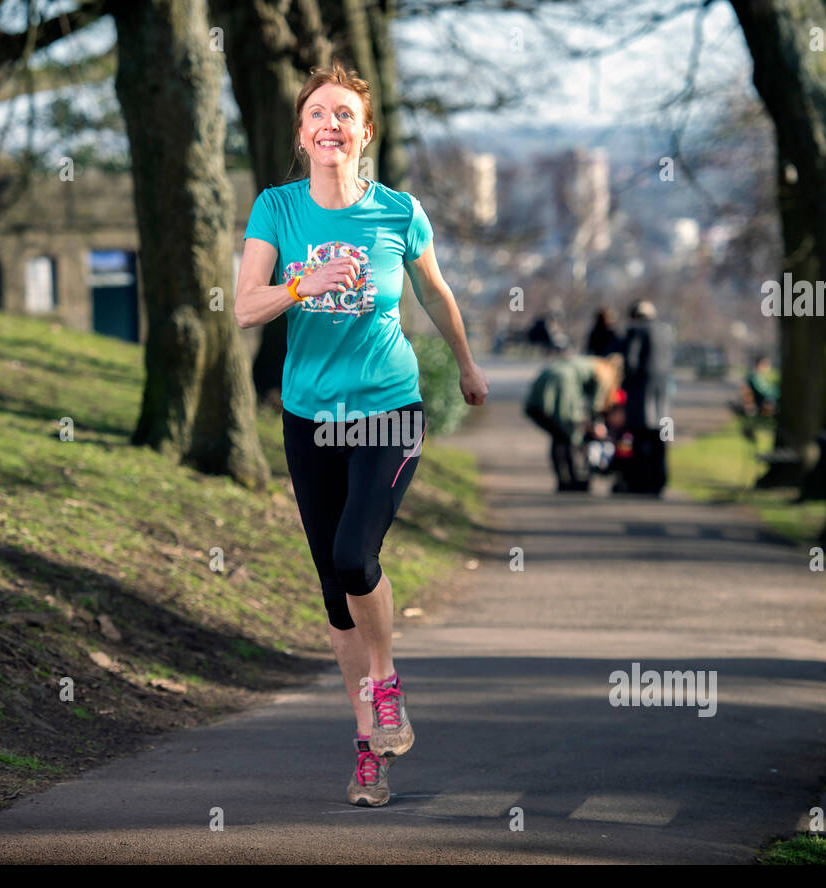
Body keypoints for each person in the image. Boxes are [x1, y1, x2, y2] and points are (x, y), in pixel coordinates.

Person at [234, 60, 490, 808]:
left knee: (355, 554)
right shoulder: (276, 210)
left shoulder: (397, 213)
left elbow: (435, 292)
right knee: (334, 593)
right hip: (310, 418)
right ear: (302, 133)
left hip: (389, 408)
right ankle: (367, 748)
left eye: (344, 114)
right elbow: (246, 308)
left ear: (364, 133)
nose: (330, 125)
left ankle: (387, 685)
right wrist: (298, 285)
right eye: (318, 114)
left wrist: (468, 365)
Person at [524, 350, 623, 491]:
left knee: (558, 433)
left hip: (547, 376)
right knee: (569, 432)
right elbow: (597, 404)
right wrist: (597, 424)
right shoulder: (605, 372)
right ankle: (571, 479)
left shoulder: (591, 361)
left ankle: (564, 480)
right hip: (563, 382)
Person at [617, 300, 674, 494]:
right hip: (663, 394)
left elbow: (631, 362)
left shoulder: (637, 330)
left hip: (641, 394)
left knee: (639, 438)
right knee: (660, 439)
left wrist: (623, 383)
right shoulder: (666, 331)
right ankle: (658, 481)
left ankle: (639, 482)